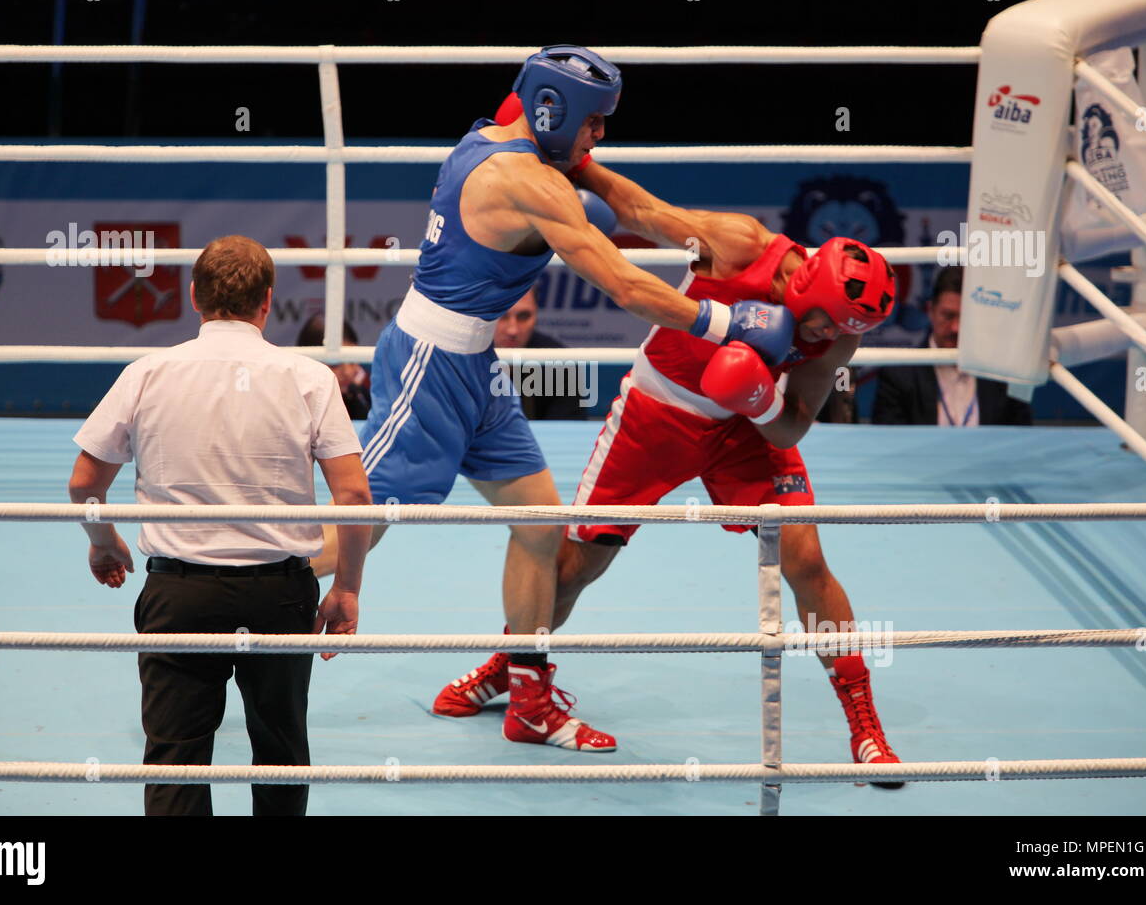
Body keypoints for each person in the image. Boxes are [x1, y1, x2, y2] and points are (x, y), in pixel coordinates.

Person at [311, 44, 784, 752]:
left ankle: (530, 700)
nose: (601, 137)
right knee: (361, 527)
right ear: (554, 111)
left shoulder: (508, 131)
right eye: (595, 122)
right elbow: (624, 286)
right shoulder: (528, 183)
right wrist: (725, 322)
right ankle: (222, 581)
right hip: (428, 368)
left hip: (476, 367)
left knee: (538, 524)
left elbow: (637, 206)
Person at [437, 163, 908, 783]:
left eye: (839, 333)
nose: (822, 337)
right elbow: (640, 212)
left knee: (807, 562)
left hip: (746, 429)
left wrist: (760, 399)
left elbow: (792, 425)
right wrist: (575, 163)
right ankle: (512, 663)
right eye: (821, 322)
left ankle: (865, 727)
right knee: (581, 563)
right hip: (657, 415)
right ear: (807, 286)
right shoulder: (741, 245)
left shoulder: (838, 338)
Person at [68, 235, 372, 815]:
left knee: (175, 760)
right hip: (279, 595)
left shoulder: (147, 374)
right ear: (267, 303)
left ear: (193, 298)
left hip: (179, 594)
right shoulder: (309, 378)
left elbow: (84, 484)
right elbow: (354, 493)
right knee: (281, 756)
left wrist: (104, 544)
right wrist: (347, 588)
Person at [871, 265, 1033, 426]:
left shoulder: (1003, 373)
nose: (956, 327)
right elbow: (888, 443)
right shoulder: (899, 374)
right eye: (948, 316)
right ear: (930, 310)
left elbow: (1022, 440)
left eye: (966, 317)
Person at [494, 284, 588, 419]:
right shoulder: (462, 360)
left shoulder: (560, 363)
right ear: (486, 313)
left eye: (523, 316)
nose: (512, 330)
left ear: (536, 314)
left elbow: (567, 431)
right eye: (502, 315)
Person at [297, 315, 372, 419]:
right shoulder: (293, 402)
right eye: (334, 364)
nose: (347, 372)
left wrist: (352, 397)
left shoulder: (361, 394)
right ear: (307, 361)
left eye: (352, 361)